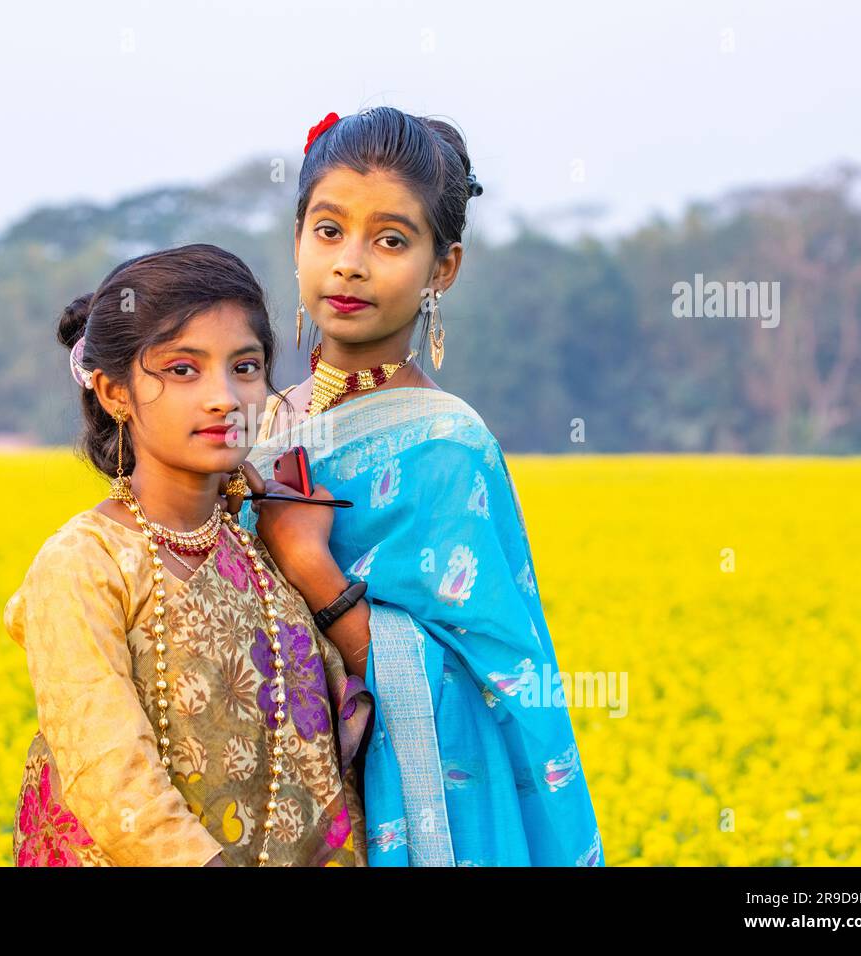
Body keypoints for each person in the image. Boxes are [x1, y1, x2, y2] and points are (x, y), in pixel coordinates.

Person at [234, 108, 605, 866]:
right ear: (298, 239)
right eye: (329, 230)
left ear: (444, 268)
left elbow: (483, 699)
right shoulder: (248, 423)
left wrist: (312, 571)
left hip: (378, 828)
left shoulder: (448, 446)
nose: (350, 263)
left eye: (391, 240)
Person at [4, 243, 371, 866]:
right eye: (182, 370)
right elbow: (110, 774)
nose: (224, 397)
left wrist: (308, 561)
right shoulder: (85, 563)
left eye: (246, 367)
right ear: (114, 390)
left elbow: (346, 738)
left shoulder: (264, 547)